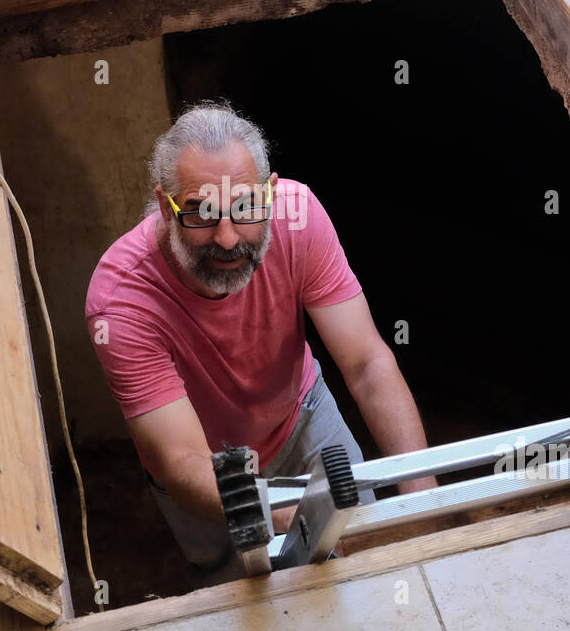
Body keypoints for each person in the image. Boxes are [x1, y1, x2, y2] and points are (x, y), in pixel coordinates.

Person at [85, 101, 437, 587]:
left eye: (246, 208)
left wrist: (423, 502)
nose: (228, 238)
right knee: (246, 603)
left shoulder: (299, 217)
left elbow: (366, 363)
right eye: (203, 213)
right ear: (164, 204)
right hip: (208, 471)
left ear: (271, 193)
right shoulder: (121, 300)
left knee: (363, 571)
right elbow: (182, 461)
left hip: (302, 416)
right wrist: (287, 517)